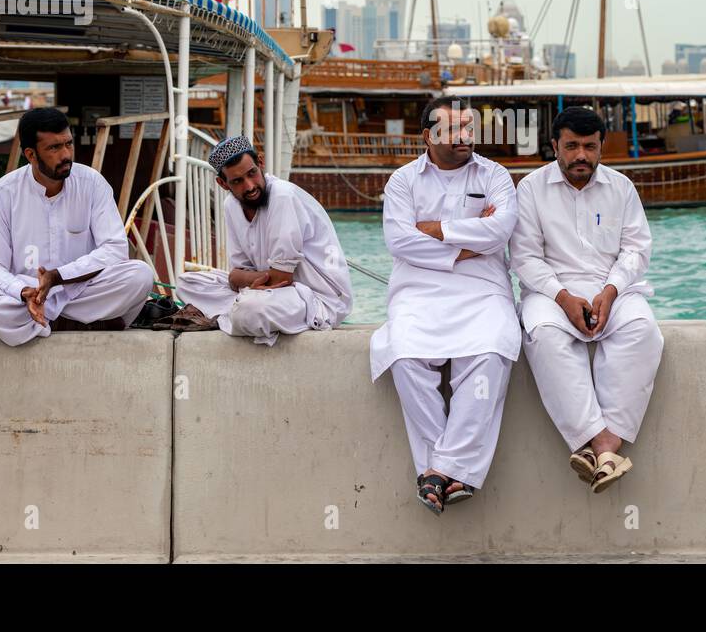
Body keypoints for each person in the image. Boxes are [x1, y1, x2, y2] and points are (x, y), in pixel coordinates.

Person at [370, 96, 520, 514]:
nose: (464, 137)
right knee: (403, 354)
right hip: (418, 288)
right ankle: (452, 470)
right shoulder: (402, 182)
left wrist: (436, 229)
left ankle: (435, 472)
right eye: (453, 129)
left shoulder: (496, 175)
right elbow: (399, 240)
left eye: (468, 128)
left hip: (482, 287)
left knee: (492, 351)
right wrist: (467, 243)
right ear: (427, 135)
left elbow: (501, 230)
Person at [510, 106, 662, 493]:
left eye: (589, 147)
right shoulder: (529, 189)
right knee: (544, 336)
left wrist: (610, 292)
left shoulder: (621, 187)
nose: (581, 155)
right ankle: (601, 445)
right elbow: (525, 257)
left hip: (614, 287)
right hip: (552, 290)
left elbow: (636, 250)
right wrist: (563, 298)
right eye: (572, 146)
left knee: (644, 331)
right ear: (555, 146)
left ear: (600, 147)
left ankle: (602, 448)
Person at [0, 108, 153, 346]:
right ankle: (70, 321)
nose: (66, 154)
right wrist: (23, 291)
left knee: (140, 275)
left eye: (68, 144)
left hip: (80, 291)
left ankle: (42, 322)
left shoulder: (92, 184)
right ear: (31, 154)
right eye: (54, 148)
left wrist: (58, 277)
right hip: (25, 297)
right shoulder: (4, 193)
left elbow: (114, 250)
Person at [175, 135, 352, 343]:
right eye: (237, 181)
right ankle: (237, 314)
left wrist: (241, 280)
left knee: (251, 308)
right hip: (269, 293)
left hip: (315, 299)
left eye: (252, 174)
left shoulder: (282, 196)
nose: (249, 186)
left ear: (260, 162)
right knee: (186, 283)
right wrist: (240, 279)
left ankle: (227, 316)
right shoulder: (231, 206)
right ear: (222, 184)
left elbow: (280, 279)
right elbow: (238, 274)